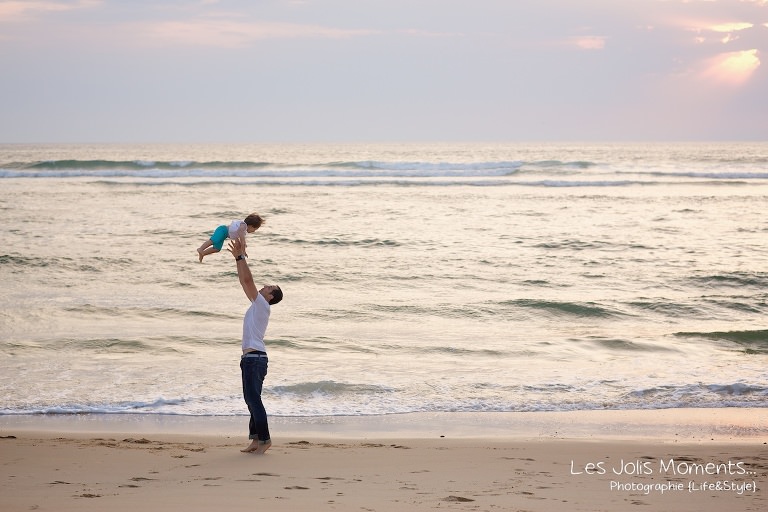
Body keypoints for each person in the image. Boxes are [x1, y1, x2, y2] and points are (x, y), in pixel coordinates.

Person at [228, 237, 283, 454]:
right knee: (251, 400)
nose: (264, 285)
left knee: (253, 400)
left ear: (270, 296)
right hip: (252, 359)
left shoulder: (262, 305)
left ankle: (265, 440)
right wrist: (238, 259)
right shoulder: (257, 306)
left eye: (268, 287)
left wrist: (240, 257)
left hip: (255, 360)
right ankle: (255, 439)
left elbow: (247, 282)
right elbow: (245, 282)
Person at [197, 213, 264, 262]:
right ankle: (201, 249)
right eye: (254, 229)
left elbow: (239, 241)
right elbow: (242, 242)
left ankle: (203, 253)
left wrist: (243, 251)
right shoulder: (243, 226)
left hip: (224, 235)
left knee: (217, 249)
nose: (254, 231)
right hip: (222, 230)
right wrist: (243, 253)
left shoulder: (243, 230)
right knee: (213, 241)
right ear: (251, 226)